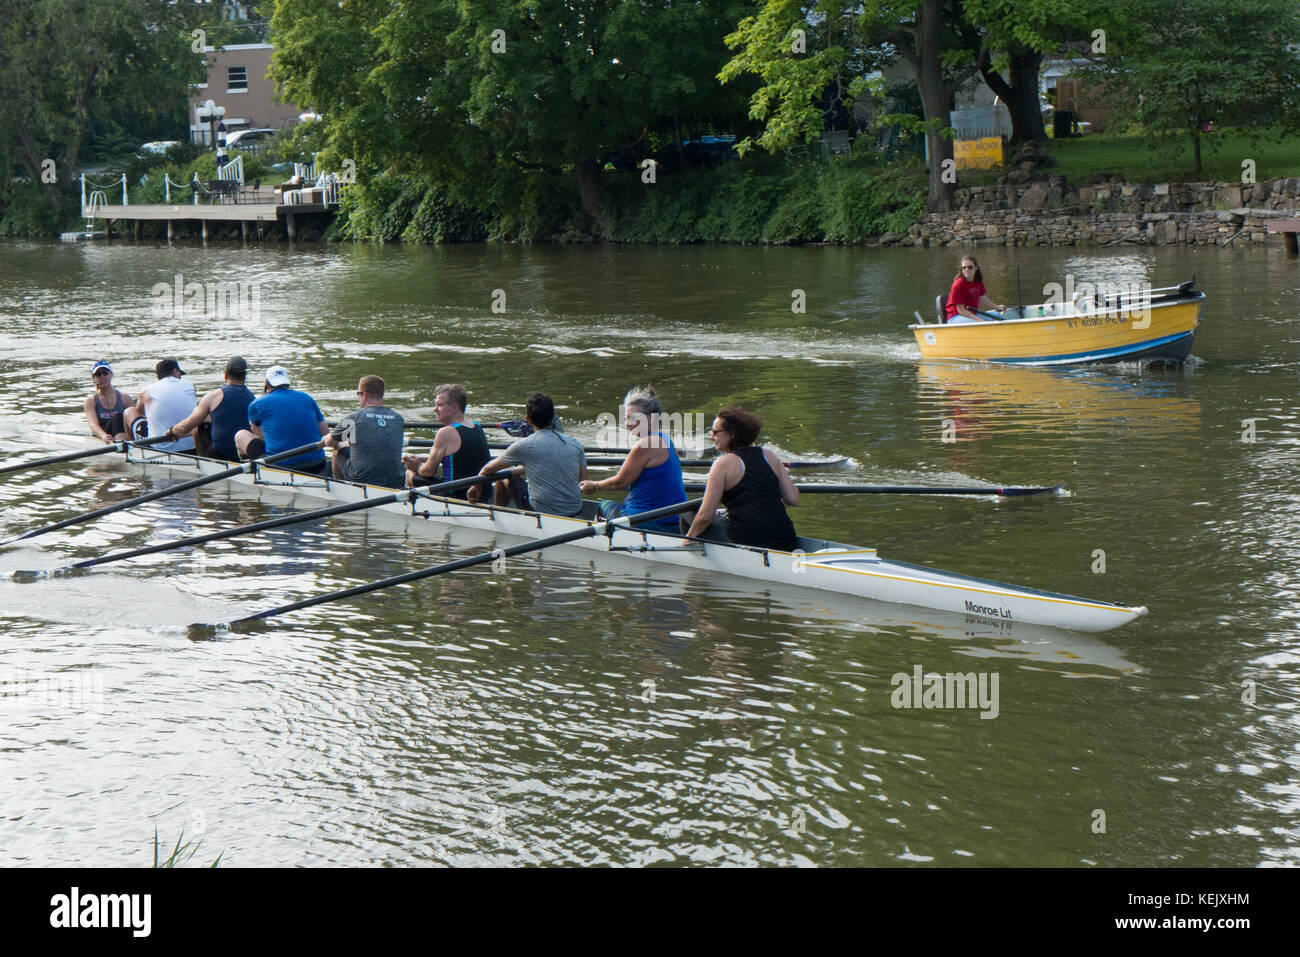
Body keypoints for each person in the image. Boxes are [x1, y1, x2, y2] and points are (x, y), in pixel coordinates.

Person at [684, 406, 799, 551]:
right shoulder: (769, 455)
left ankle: (692, 552)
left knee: (689, 514)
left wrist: (688, 538)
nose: (711, 437)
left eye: (715, 432)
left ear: (731, 434)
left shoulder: (722, 464)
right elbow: (793, 499)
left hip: (750, 543)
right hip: (786, 540)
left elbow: (705, 516)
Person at [578, 386, 686, 533]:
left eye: (633, 418)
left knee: (603, 505)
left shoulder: (644, 444)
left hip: (646, 521)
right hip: (676, 519)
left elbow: (621, 482)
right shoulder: (666, 439)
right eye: (626, 418)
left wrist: (594, 485)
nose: (628, 423)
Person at [470, 392, 587, 516]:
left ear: (528, 419)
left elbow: (487, 469)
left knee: (502, 474)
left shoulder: (526, 445)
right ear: (554, 415)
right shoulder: (575, 443)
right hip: (575, 510)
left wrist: (476, 486)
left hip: (541, 511)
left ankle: (498, 517)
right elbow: (584, 483)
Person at [234, 365, 329, 474]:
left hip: (281, 466)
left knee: (241, 435)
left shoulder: (256, 404)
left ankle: (248, 471)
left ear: (266, 383)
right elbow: (325, 433)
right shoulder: (307, 397)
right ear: (287, 382)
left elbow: (261, 436)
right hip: (317, 464)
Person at [401, 383, 490, 498]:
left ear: (453, 407)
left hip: (455, 494)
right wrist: (422, 459)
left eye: (439, 405)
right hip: (481, 494)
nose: (435, 409)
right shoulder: (477, 427)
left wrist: (416, 466)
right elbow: (461, 458)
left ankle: (412, 512)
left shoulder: (446, 432)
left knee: (410, 473)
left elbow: (428, 471)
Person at [164, 356, 256, 462]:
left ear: (225, 374)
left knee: (199, 425)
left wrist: (172, 432)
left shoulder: (214, 396)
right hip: (243, 454)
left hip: (219, 454)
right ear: (245, 376)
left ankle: (202, 461)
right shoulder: (253, 398)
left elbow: (186, 426)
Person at [326, 374, 405, 487]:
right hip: (397, 480)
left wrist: (331, 437)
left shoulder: (354, 418)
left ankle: (341, 488)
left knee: (338, 447)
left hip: (362, 479)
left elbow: (330, 442)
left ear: (364, 395)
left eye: (358, 394)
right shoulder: (398, 418)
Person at [124, 358, 196, 453]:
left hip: (159, 447)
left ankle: (133, 449)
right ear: (175, 372)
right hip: (192, 446)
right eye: (180, 374)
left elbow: (140, 412)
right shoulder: (191, 386)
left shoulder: (146, 391)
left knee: (129, 411)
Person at [945, 255, 1006, 324]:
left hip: (972, 313)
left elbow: (982, 297)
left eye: (970, 267)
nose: (966, 270)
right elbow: (961, 310)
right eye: (964, 268)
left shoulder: (977, 281)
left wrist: (997, 307)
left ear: (976, 268)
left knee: (998, 316)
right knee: (982, 323)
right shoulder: (958, 284)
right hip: (956, 316)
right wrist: (979, 319)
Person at [83, 360, 132, 443]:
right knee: (117, 417)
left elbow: (132, 421)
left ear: (111, 374)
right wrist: (104, 436)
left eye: (105, 373)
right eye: (98, 374)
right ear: (93, 378)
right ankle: (121, 445)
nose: (102, 376)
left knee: (118, 417)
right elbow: (93, 424)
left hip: (123, 435)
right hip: (103, 436)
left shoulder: (125, 398)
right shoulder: (90, 401)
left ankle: (123, 443)